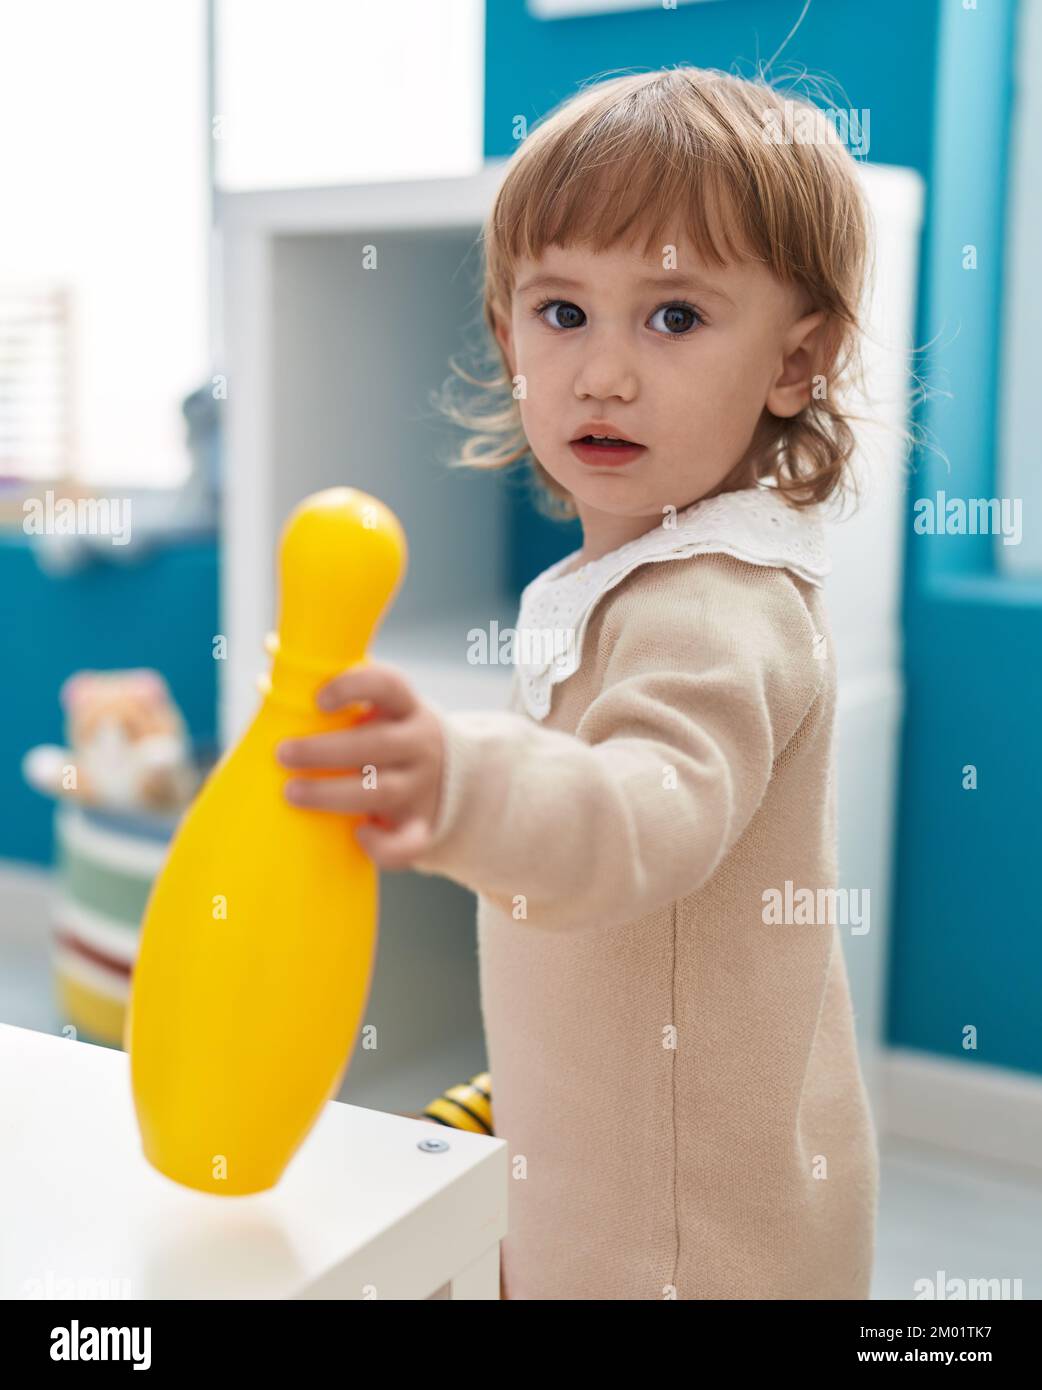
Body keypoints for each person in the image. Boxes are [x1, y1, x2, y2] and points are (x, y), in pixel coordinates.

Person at [276, 66, 879, 1300]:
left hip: (681, 1242)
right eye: (562, 312)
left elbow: (644, 818)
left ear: (794, 360)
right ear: (508, 333)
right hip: (618, 1162)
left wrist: (459, 781)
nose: (602, 372)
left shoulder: (714, 606)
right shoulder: (633, 579)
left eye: (672, 317)